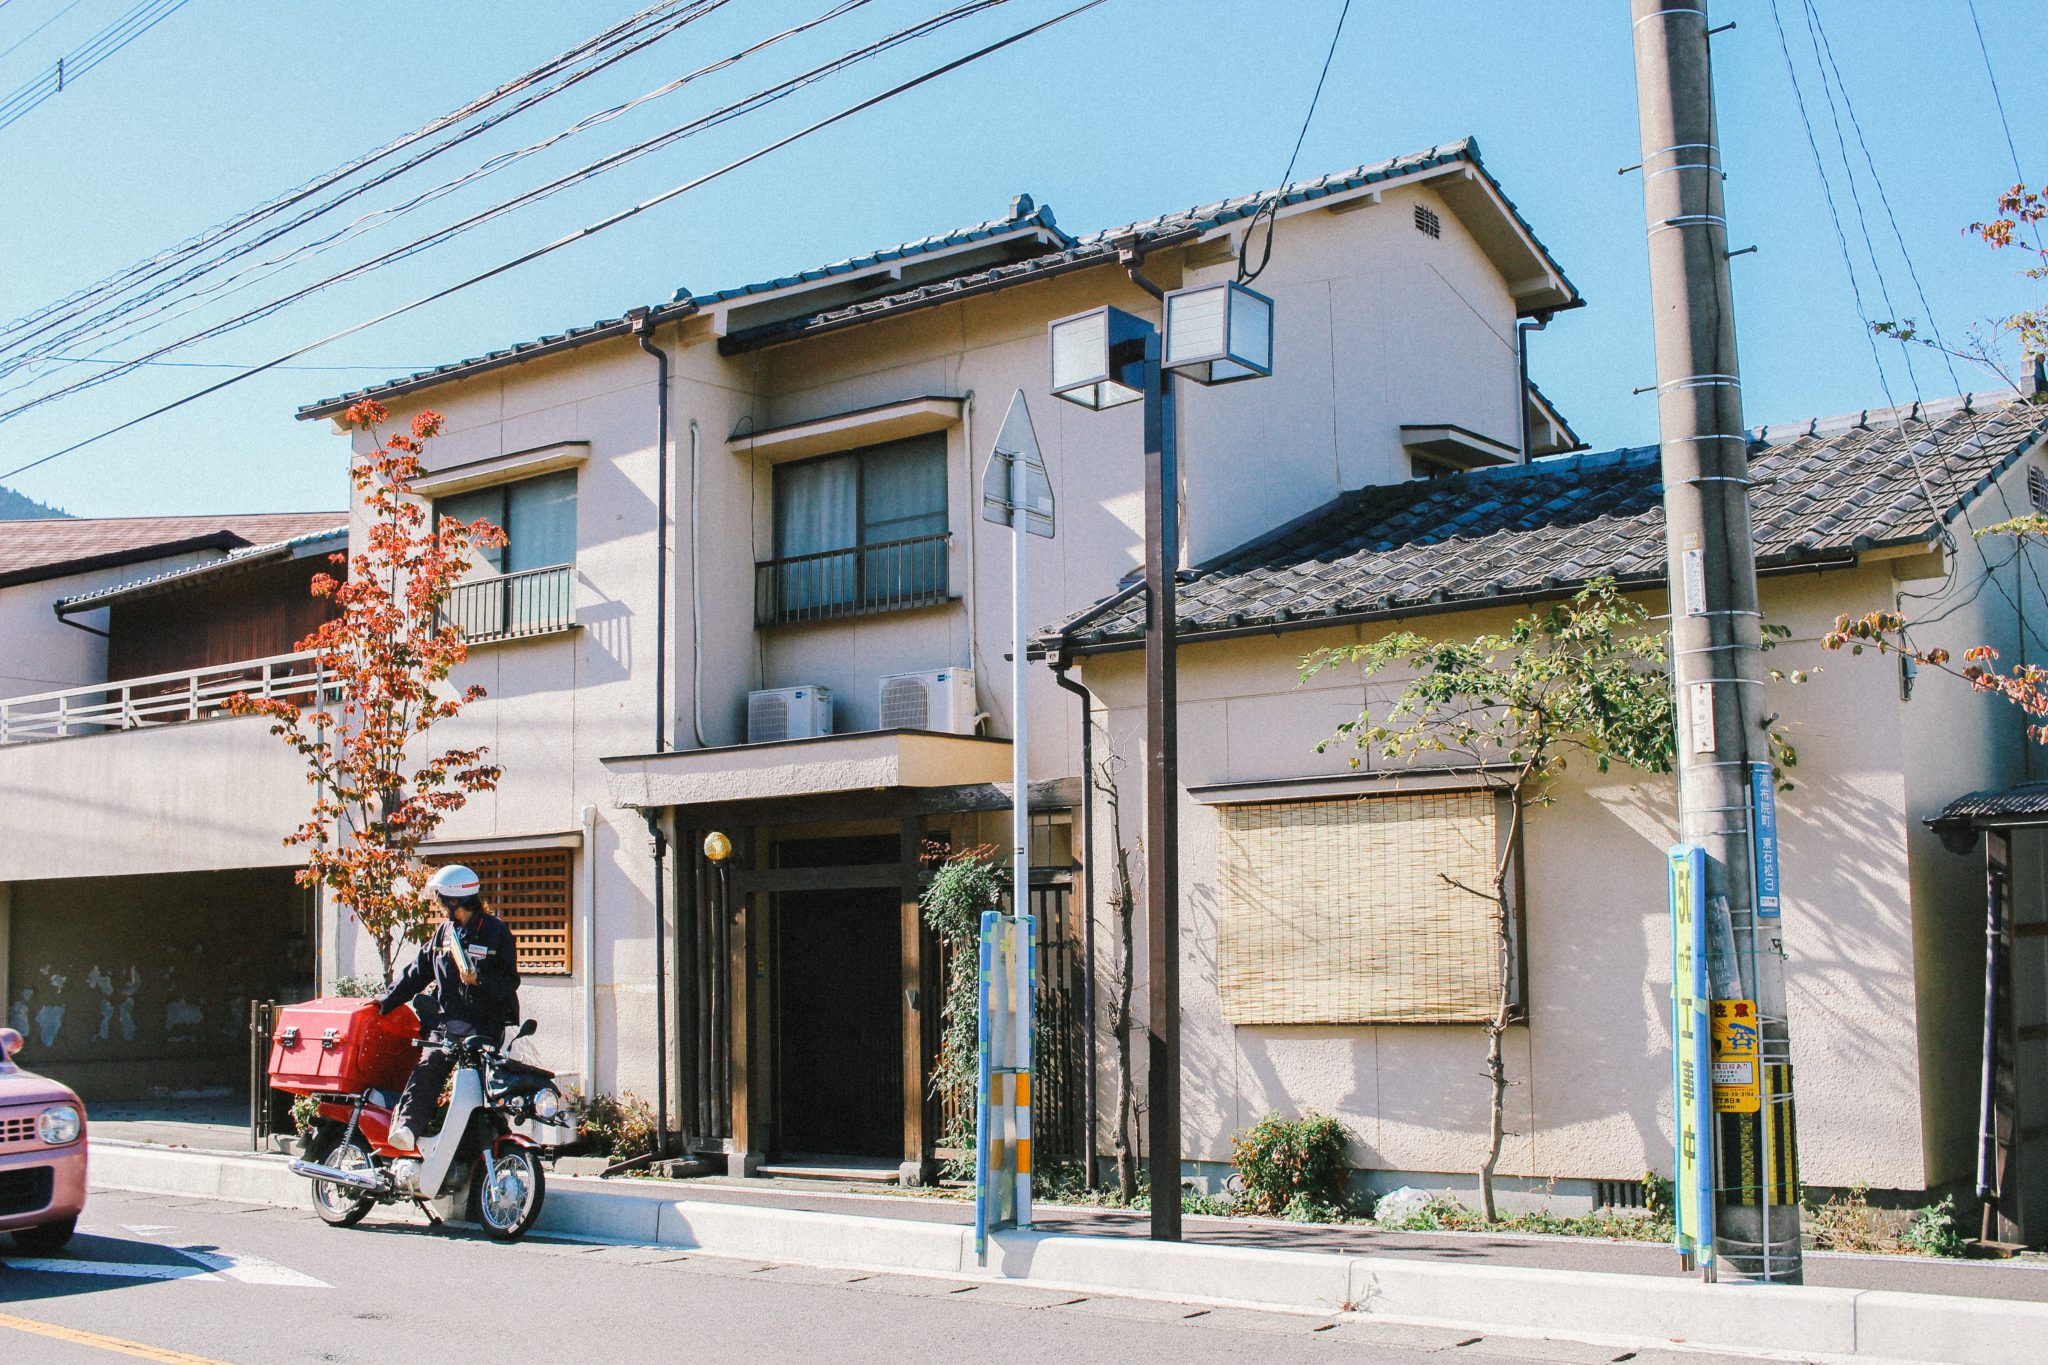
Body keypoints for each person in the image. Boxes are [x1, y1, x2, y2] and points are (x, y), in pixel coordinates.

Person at [377, 864, 521, 1153]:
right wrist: (384, 1002)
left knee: (482, 1088)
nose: (438, 902)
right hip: (447, 1023)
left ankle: (495, 1144)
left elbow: (510, 981)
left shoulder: (496, 932)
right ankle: (406, 1127)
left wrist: (479, 979)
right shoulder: (443, 934)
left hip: (484, 1026)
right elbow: (416, 973)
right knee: (428, 1067)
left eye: (440, 896)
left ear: (454, 900)